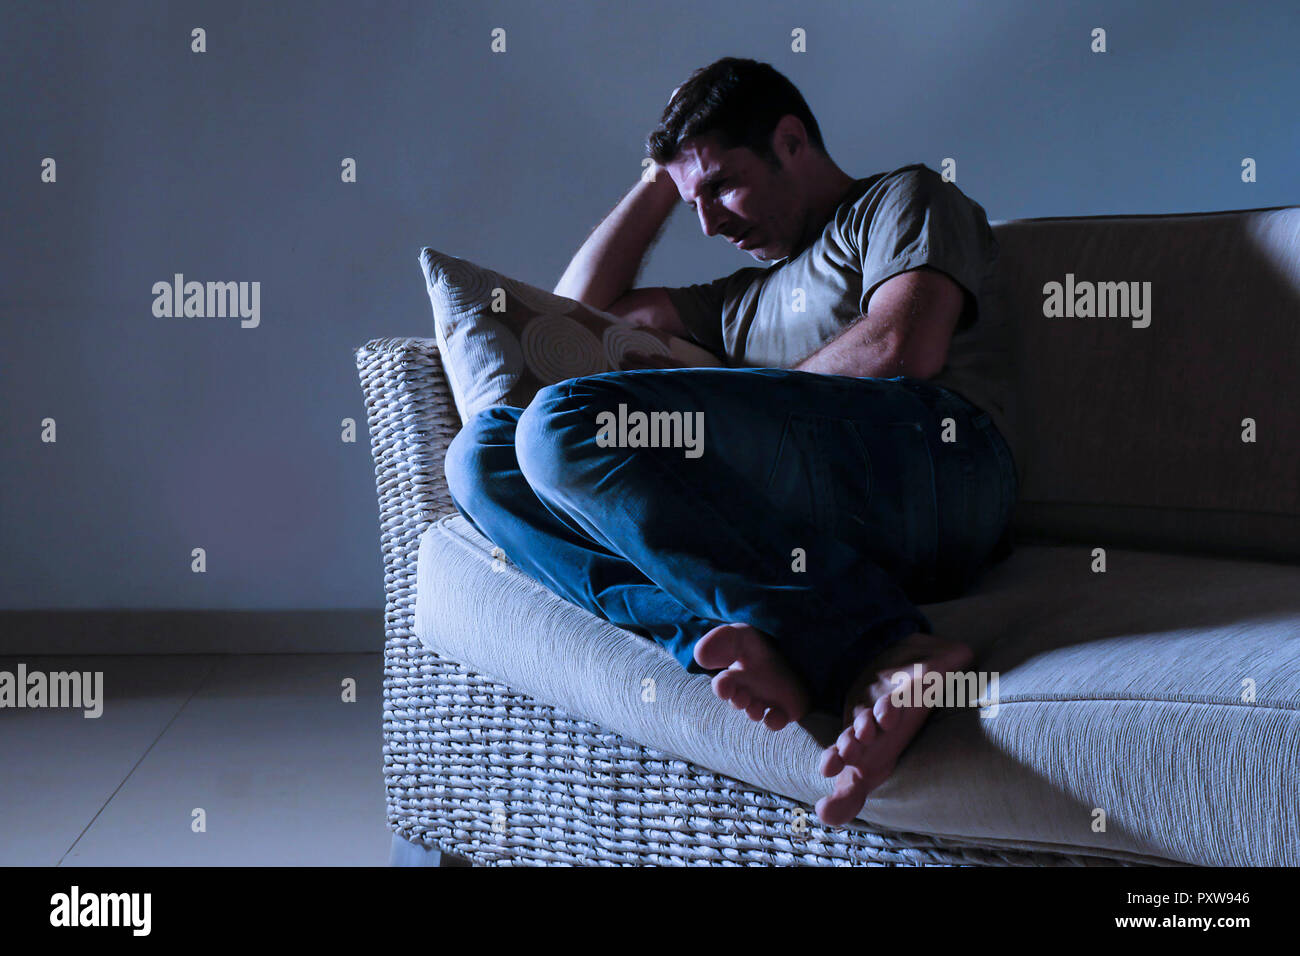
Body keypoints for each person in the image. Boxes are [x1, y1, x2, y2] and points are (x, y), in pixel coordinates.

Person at [444, 57, 1020, 827]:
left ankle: (880, 647)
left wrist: (733, 411)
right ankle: (730, 637)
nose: (710, 223)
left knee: (563, 423)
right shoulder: (737, 302)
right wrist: (662, 174)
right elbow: (570, 311)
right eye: (692, 204)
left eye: (721, 185)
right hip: (816, 520)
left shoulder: (903, 199)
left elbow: (900, 346)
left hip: (941, 469)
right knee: (480, 459)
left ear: (790, 141)